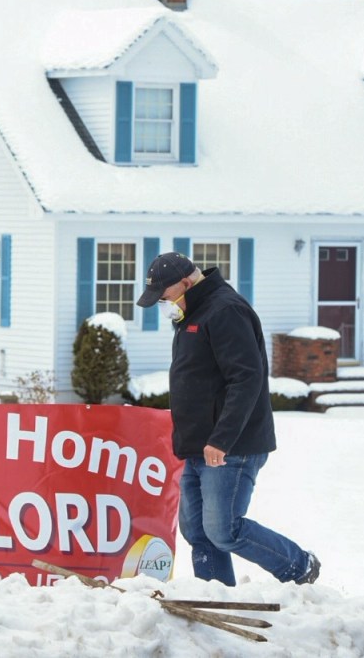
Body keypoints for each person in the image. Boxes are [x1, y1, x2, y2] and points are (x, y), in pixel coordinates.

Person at [136, 251, 320, 586]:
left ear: (186, 282)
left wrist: (221, 439)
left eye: (165, 294)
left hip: (231, 446)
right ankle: (216, 595)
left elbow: (246, 379)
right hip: (197, 445)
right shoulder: (193, 311)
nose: (163, 301)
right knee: (196, 531)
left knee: (224, 530)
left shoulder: (225, 311)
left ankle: (299, 566)